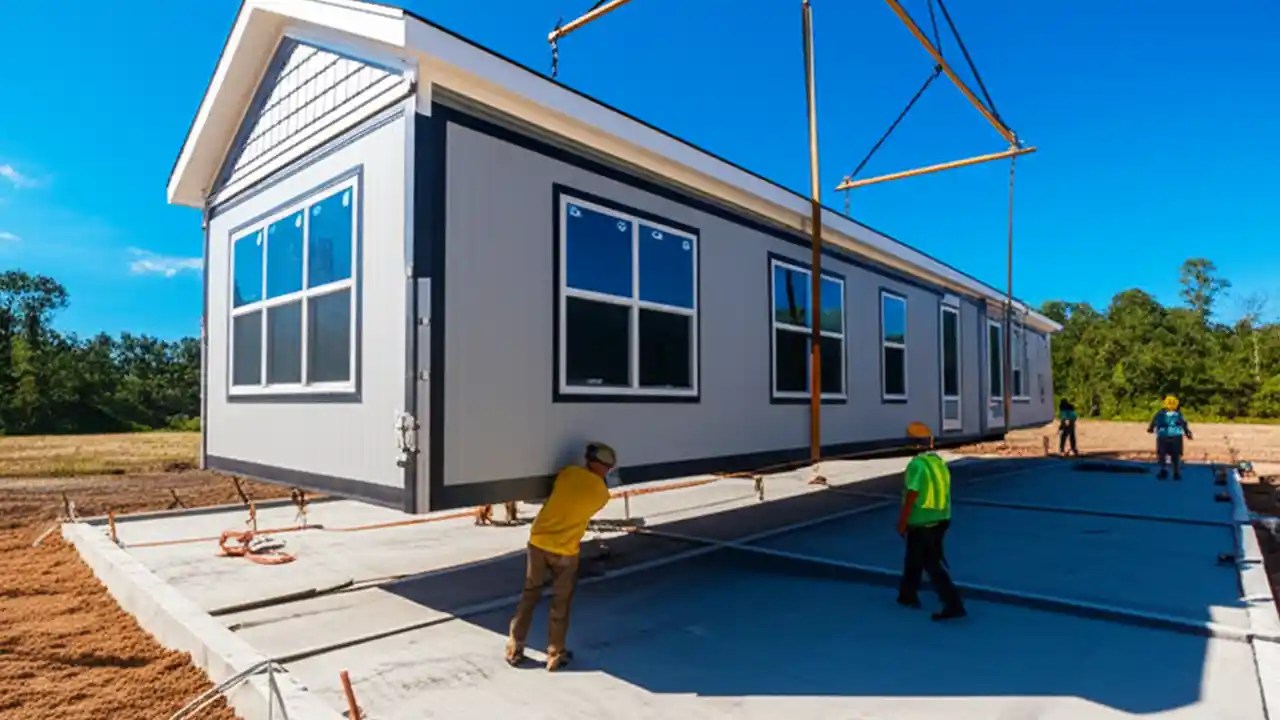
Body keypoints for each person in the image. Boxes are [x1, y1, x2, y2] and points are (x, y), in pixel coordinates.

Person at [506, 442, 616, 671]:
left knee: (530, 595)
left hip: (538, 542)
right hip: (566, 550)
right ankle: (555, 653)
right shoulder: (602, 495)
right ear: (607, 468)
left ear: (588, 460)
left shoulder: (568, 473)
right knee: (560, 602)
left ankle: (515, 647)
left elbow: (558, 487)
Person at [896, 450, 966, 621]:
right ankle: (907, 595)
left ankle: (953, 603)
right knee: (914, 559)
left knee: (930, 563)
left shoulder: (916, 465)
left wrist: (902, 522)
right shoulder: (939, 464)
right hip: (941, 519)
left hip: (921, 521)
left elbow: (912, 493)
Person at [1148, 395, 1193, 480]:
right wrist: (1187, 433)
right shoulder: (1178, 414)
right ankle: (1176, 472)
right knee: (1176, 455)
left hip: (1163, 436)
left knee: (1162, 454)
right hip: (1176, 436)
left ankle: (1163, 470)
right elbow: (1184, 424)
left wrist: (1150, 429)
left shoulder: (1160, 414)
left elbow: (1153, 422)